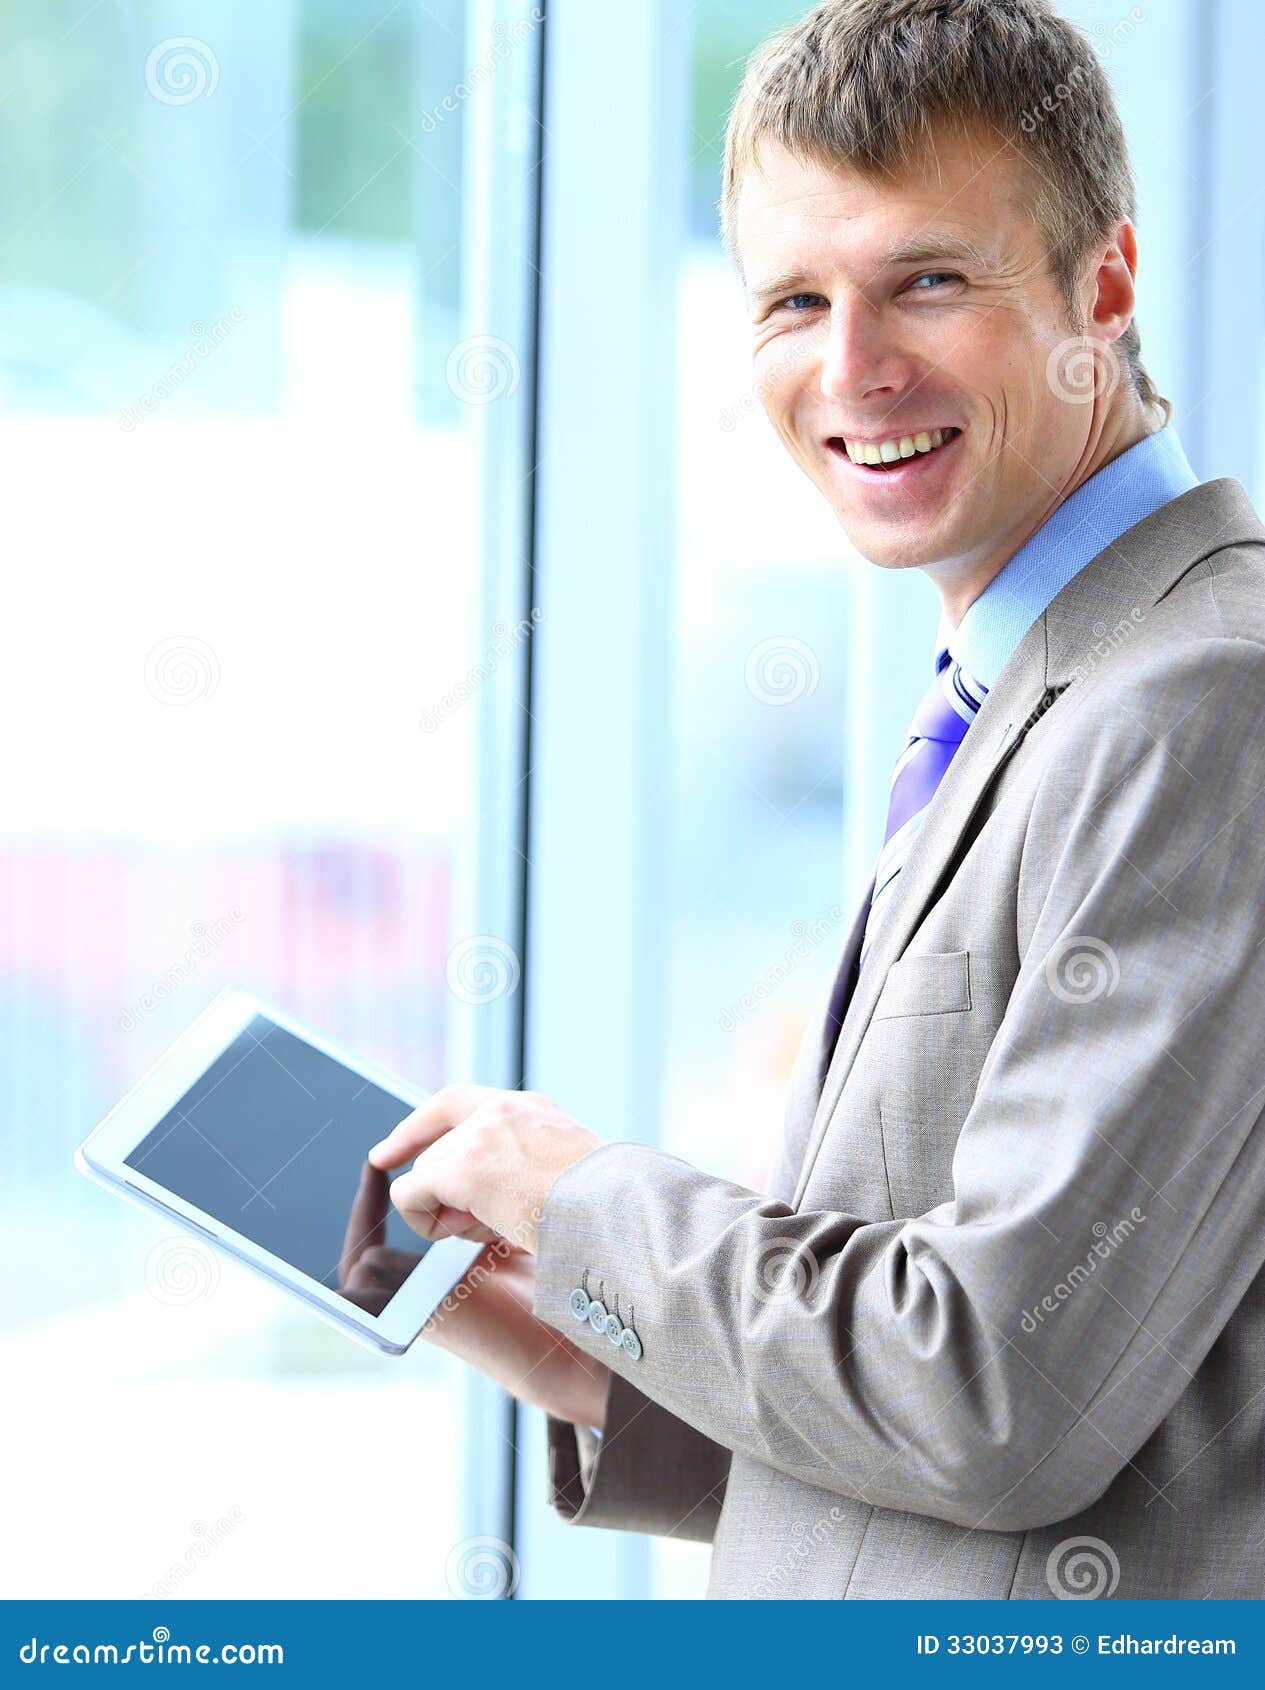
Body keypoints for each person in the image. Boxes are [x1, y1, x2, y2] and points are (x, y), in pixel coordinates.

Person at [368, 0, 1265, 1599]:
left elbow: (996, 1391)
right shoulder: (1033, 686)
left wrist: (579, 1195)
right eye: (793, 300)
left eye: (927, 281)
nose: (851, 368)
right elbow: (1043, 1413)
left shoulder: (1197, 702)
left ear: (1104, 286)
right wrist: (584, 1347)